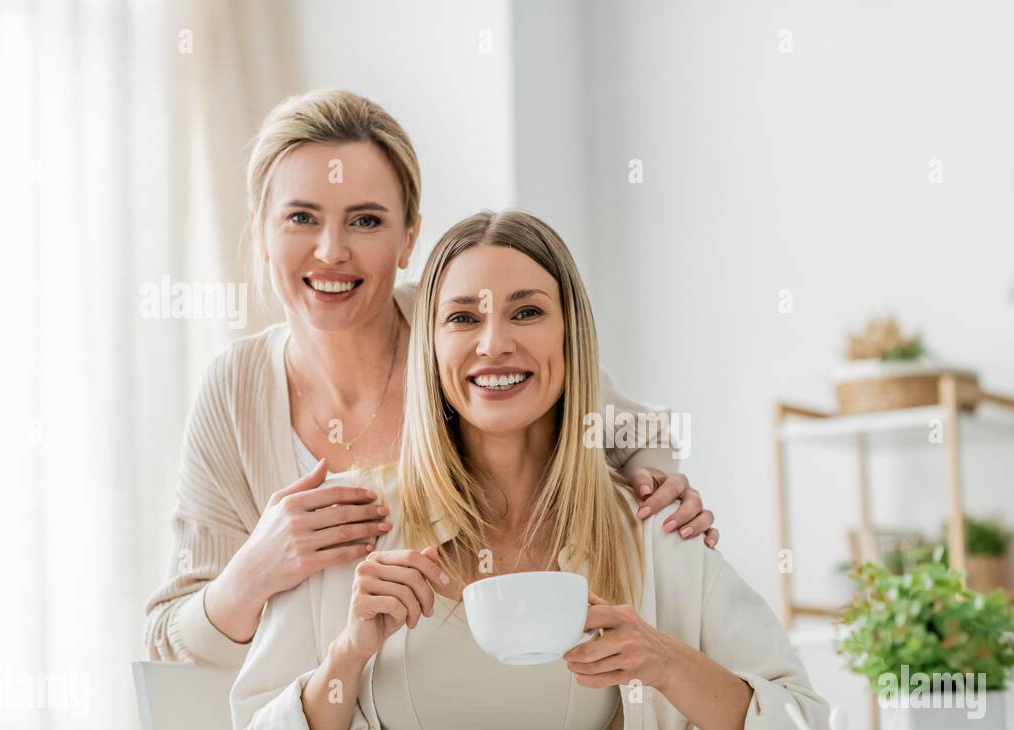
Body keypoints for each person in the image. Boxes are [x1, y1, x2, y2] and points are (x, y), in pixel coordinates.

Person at [230, 209, 828, 730]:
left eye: (526, 312)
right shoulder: (351, 524)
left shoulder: (653, 536)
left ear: (572, 338)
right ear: (429, 347)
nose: (493, 343)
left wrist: (664, 661)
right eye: (462, 317)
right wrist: (347, 655)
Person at [145, 90, 717, 669]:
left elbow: (623, 427)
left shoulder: (461, 328)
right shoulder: (235, 388)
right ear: (261, 232)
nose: (331, 250)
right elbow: (168, 643)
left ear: (410, 239)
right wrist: (254, 571)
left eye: (365, 220)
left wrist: (654, 479)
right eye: (301, 218)